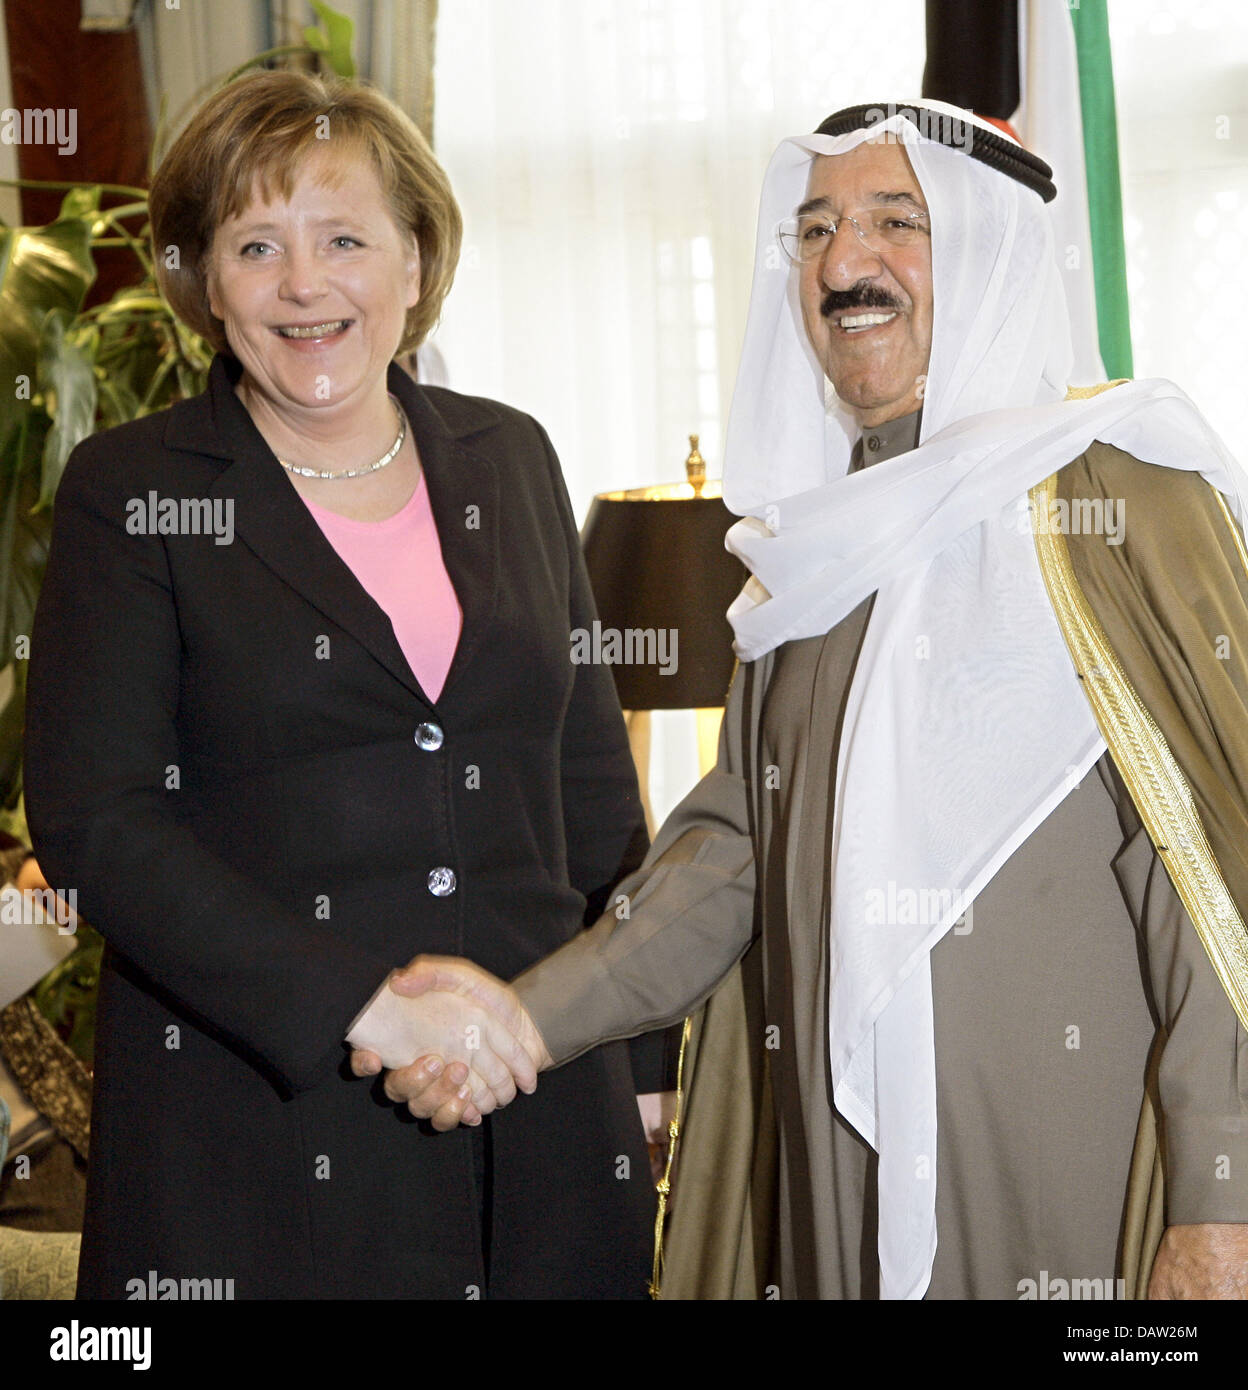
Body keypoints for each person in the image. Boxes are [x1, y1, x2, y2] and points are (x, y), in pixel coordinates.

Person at [356, 100, 1248, 1300]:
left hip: (1080, 1194)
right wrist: (518, 1023)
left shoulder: (1122, 495)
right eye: (816, 229)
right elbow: (732, 856)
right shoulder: (817, 554)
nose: (844, 264)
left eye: (897, 221)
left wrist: (1223, 1211)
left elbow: (1216, 880)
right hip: (841, 1180)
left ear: (992, 253)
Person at [23, 68, 672, 1300]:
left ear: (417, 262)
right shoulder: (133, 492)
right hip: (260, 1141)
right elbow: (98, 820)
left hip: (542, 1117)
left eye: (343, 239)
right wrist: (364, 1010)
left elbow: (589, 782)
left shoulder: (511, 454)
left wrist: (640, 1056)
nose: (304, 284)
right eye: (256, 243)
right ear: (206, 282)